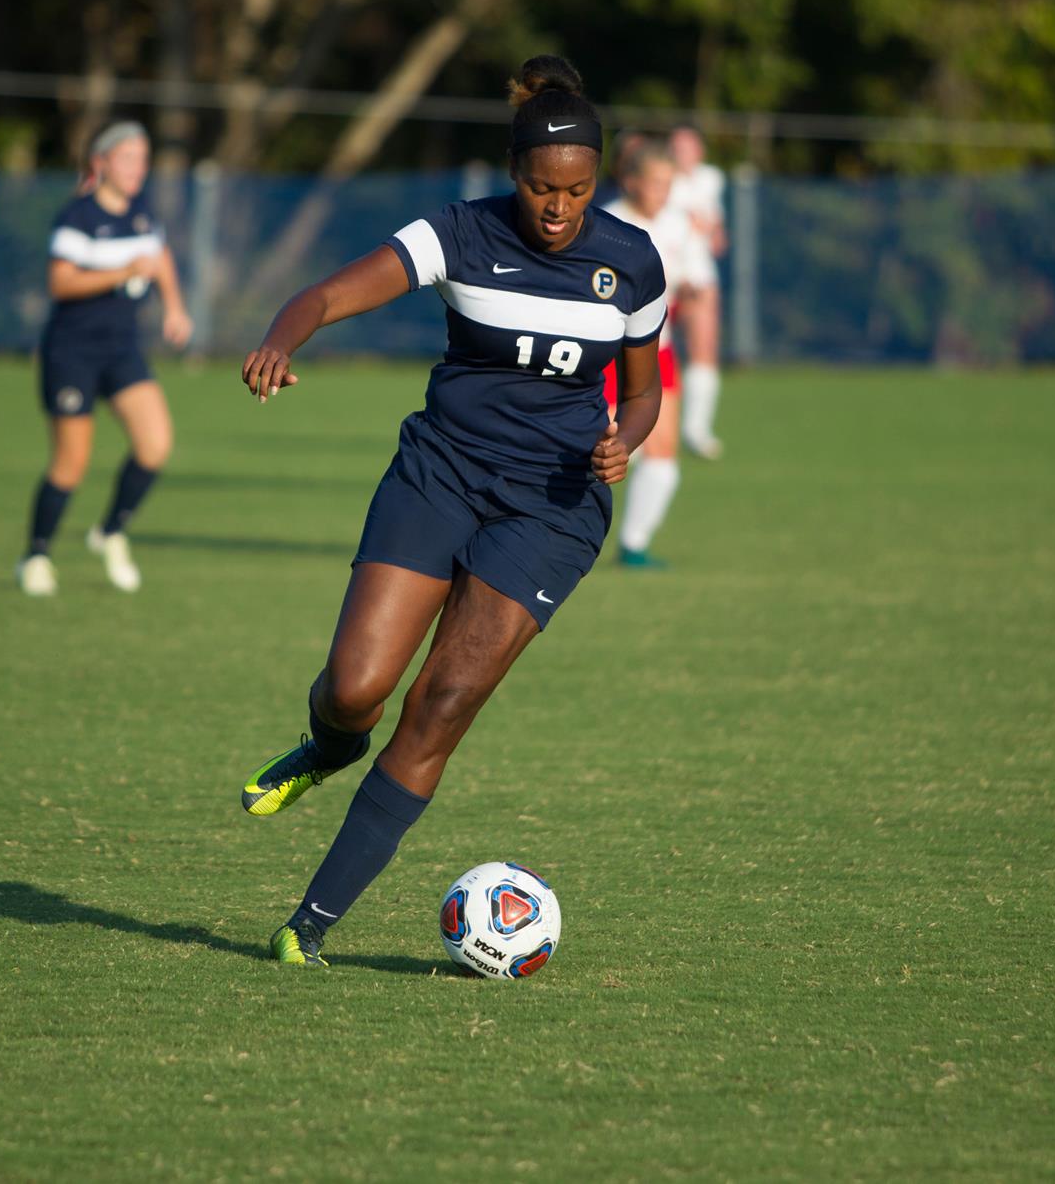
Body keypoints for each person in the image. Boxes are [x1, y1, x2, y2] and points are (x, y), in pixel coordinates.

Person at [234, 55, 667, 966]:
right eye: (543, 188)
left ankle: (307, 927)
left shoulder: (632, 261)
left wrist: (625, 437)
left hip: (551, 507)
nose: (559, 208)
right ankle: (327, 743)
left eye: (578, 190)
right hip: (442, 473)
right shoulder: (457, 234)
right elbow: (328, 292)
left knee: (443, 701)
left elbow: (640, 389)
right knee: (356, 688)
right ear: (514, 175)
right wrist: (283, 335)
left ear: (599, 180)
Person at [17, 121, 193, 596]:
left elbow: (161, 258)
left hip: (122, 350)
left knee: (155, 446)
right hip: (72, 353)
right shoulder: (77, 216)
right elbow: (61, 282)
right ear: (102, 163)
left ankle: (110, 531)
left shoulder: (141, 212)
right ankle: (36, 555)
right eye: (129, 158)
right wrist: (122, 271)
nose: (139, 168)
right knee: (72, 463)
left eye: (144, 158)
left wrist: (174, 307)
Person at [599, 133, 714, 569]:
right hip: (607, 353)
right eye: (654, 182)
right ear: (630, 181)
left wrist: (690, 288)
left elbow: (695, 280)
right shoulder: (606, 224)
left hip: (656, 351)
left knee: (663, 451)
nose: (662, 192)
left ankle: (633, 544)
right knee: (600, 446)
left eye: (669, 183)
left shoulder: (678, 224)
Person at [667, 125, 727, 459]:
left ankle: (696, 429)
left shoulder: (710, 179)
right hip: (665, 276)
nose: (681, 154)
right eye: (676, 147)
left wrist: (715, 233)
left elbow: (715, 229)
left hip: (699, 276)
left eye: (688, 148)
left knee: (703, 350)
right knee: (646, 350)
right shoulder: (662, 181)